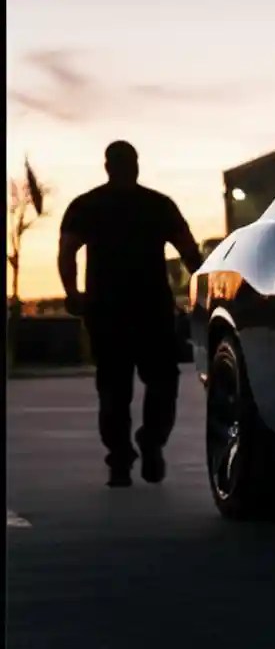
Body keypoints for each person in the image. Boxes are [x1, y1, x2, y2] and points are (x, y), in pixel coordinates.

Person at [58, 141, 204, 488]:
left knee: (113, 389)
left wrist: (73, 293)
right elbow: (189, 252)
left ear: (107, 166)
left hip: (106, 312)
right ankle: (151, 441)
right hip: (151, 309)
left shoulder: (86, 205)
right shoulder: (157, 205)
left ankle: (120, 463)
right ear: (136, 165)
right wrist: (205, 295)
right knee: (162, 383)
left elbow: (67, 253)